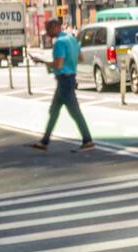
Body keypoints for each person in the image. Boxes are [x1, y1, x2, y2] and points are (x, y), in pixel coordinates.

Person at [29, 17, 94, 152]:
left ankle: (87, 140)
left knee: (74, 111)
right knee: (54, 111)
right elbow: (80, 58)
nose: (47, 33)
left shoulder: (59, 43)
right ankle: (44, 141)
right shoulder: (72, 39)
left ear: (55, 27)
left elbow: (58, 64)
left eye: (48, 30)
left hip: (64, 80)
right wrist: (70, 63)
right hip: (70, 78)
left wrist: (42, 61)